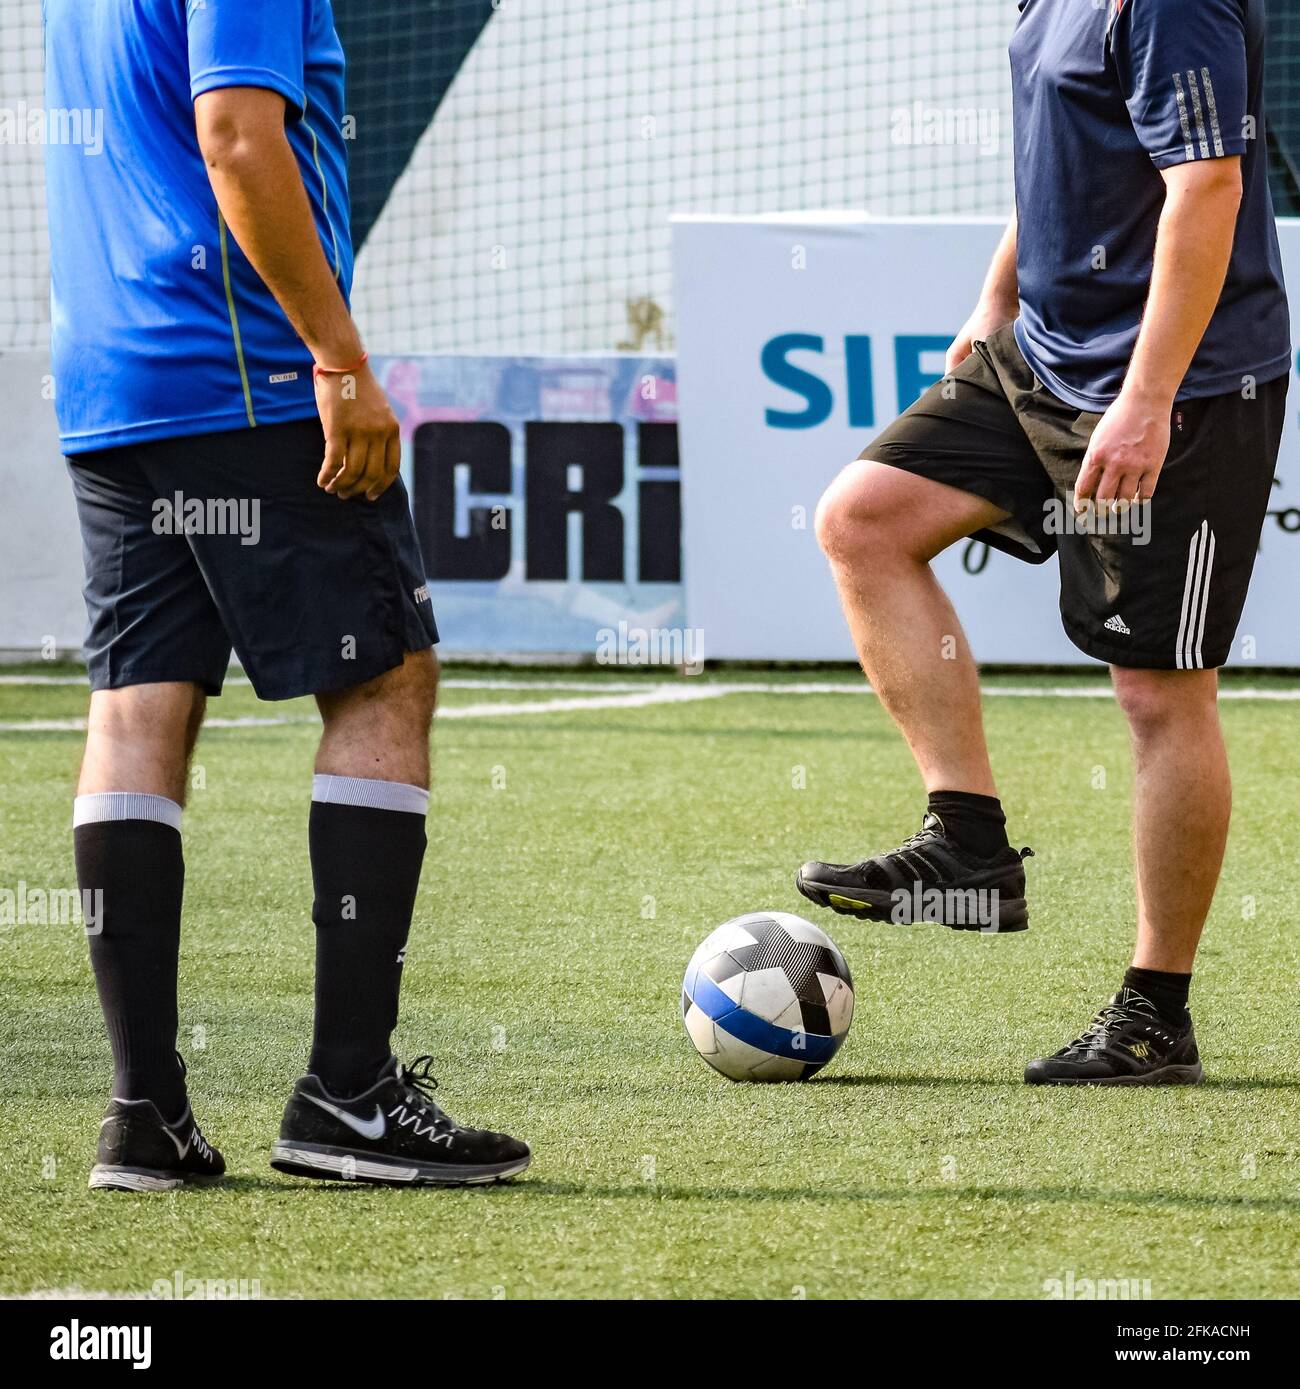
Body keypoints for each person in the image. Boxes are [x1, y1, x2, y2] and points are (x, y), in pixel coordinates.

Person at [43, 0, 529, 1187]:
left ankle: (144, 1113)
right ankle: (348, 1095)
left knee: (137, 707)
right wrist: (339, 358)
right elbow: (237, 135)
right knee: (383, 678)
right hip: (243, 373)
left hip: (111, 378)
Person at [797, 0, 1288, 1084]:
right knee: (863, 519)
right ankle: (967, 840)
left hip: (1185, 387)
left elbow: (1206, 184)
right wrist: (994, 296)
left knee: (1159, 693)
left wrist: (1149, 399)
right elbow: (1053, 149)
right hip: (1041, 357)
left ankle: (1155, 1014)